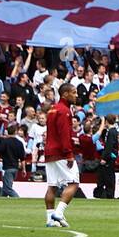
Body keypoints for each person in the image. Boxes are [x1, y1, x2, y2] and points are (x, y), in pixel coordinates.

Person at [43, 83, 80, 228]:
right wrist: (69, 154)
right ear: (65, 94)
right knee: (74, 183)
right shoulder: (64, 111)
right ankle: (59, 212)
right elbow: (64, 134)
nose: (76, 95)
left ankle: (49, 219)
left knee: (52, 186)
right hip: (61, 152)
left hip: (49, 151)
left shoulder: (52, 109)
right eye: (74, 92)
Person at [0, 126, 24, 198]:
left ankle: (18, 199)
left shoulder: (5, 142)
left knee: (7, 188)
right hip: (15, 168)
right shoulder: (19, 143)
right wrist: (24, 169)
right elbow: (22, 158)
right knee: (5, 187)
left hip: (7, 168)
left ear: (7, 132)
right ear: (15, 132)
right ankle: (0, 200)